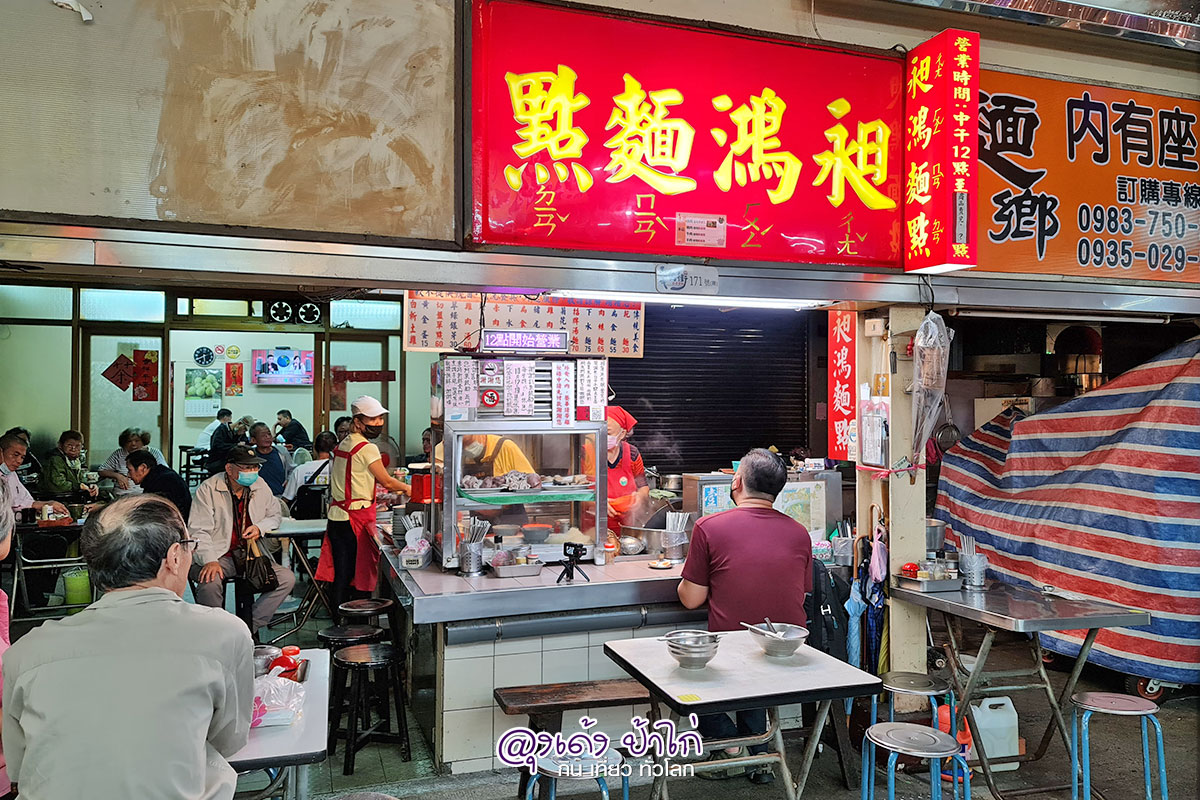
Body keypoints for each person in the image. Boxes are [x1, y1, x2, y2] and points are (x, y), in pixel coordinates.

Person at [1, 494, 253, 800]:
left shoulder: (26, 653)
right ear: (174, 557)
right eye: (189, 546)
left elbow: (21, 764)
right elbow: (230, 739)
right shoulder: (223, 633)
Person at [677, 448, 813, 785]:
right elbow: (800, 592)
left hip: (734, 650)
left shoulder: (710, 527)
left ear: (736, 482)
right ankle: (759, 758)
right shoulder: (800, 532)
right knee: (757, 667)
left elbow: (691, 600)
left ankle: (734, 751)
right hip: (786, 651)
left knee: (679, 683)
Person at [315, 396, 410, 620]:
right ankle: (357, 627)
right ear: (358, 422)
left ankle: (339, 623)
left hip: (338, 516)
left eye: (380, 418)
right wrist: (410, 489)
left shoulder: (343, 444)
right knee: (359, 575)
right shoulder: (367, 448)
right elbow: (386, 481)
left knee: (342, 574)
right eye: (373, 419)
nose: (378, 423)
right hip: (354, 519)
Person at [189, 445, 295, 639]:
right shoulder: (209, 489)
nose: (252, 472)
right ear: (229, 469)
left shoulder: (259, 485)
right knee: (210, 581)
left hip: (250, 555)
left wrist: (260, 527)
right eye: (247, 468)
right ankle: (214, 633)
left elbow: (275, 515)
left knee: (286, 579)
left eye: (255, 468)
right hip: (219, 555)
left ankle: (246, 628)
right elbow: (198, 530)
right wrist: (209, 560)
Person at [583, 406, 650, 536]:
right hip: (592, 528)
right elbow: (574, 492)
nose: (603, 437)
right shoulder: (585, 452)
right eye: (599, 432)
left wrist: (639, 498)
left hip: (626, 528)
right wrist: (597, 502)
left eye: (608, 433)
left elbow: (643, 487)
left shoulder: (632, 453)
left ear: (623, 434)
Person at [0, 433, 67, 517]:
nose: (19, 461)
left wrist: (46, 505)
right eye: (15, 455)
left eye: (22, 457)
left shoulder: (11, 474)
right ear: (1, 452)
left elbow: (26, 500)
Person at [127, 449, 192, 520]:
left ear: (143, 468)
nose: (128, 475)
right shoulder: (159, 476)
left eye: (130, 470)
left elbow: (154, 514)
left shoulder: (163, 482)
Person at [98, 427, 166, 492]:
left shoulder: (154, 453)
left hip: (146, 494)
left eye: (137, 441)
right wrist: (117, 476)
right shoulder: (119, 454)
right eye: (129, 441)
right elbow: (102, 470)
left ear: (143, 441)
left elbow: (164, 472)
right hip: (122, 495)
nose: (133, 444)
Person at [38, 430, 99, 499]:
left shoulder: (76, 460)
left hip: (71, 497)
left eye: (77, 446)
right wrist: (78, 486)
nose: (73, 449)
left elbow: (82, 478)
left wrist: (90, 486)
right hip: (55, 499)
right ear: (60, 445)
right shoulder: (55, 459)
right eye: (69, 445)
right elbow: (57, 485)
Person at [283, 430, 336, 503]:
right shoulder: (341, 470)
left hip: (305, 513)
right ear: (336, 448)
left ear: (314, 448)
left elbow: (286, 499)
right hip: (334, 512)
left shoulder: (299, 470)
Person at [248, 422, 293, 496]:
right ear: (253, 440)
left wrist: (289, 480)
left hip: (279, 496)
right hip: (257, 497)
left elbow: (292, 470)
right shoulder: (250, 455)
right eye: (263, 435)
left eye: (269, 434)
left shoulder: (281, 451)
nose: (268, 437)